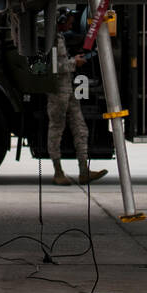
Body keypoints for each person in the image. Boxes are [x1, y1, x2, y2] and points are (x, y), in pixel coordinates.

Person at [47, 11, 107, 186]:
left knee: (80, 128)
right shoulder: (49, 40)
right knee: (56, 130)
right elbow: (50, 66)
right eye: (69, 22)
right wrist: (74, 63)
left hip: (68, 88)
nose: (71, 26)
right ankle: (58, 172)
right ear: (61, 21)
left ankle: (83, 171)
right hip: (56, 90)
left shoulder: (59, 37)